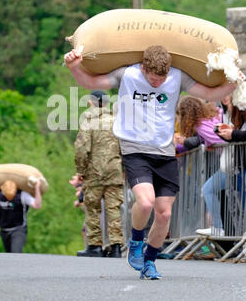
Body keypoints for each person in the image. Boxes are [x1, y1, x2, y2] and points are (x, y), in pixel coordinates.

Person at [64, 45, 236, 279]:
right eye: (153, 80)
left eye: (161, 80)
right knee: (145, 202)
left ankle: (150, 261)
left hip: (164, 152)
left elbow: (208, 94)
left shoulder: (177, 76)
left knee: (164, 213)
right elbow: (92, 83)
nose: (157, 84)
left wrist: (234, 82)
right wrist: (74, 66)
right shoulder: (128, 74)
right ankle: (136, 241)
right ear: (144, 68)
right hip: (134, 148)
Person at [73, 90, 124, 258]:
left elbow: (82, 149)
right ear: (107, 103)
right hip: (114, 169)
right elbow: (126, 146)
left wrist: (80, 170)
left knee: (92, 207)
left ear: (91, 103)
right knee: (113, 207)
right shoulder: (117, 121)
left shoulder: (88, 122)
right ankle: (116, 246)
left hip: (94, 172)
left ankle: (95, 246)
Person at [176, 95, 229, 236]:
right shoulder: (214, 112)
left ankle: (218, 227)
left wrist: (209, 143)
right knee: (209, 189)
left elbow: (218, 138)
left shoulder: (199, 124)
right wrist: (208, 143)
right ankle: (217, 227)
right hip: (230, 160)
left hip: (230, 162)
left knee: (208, 189)